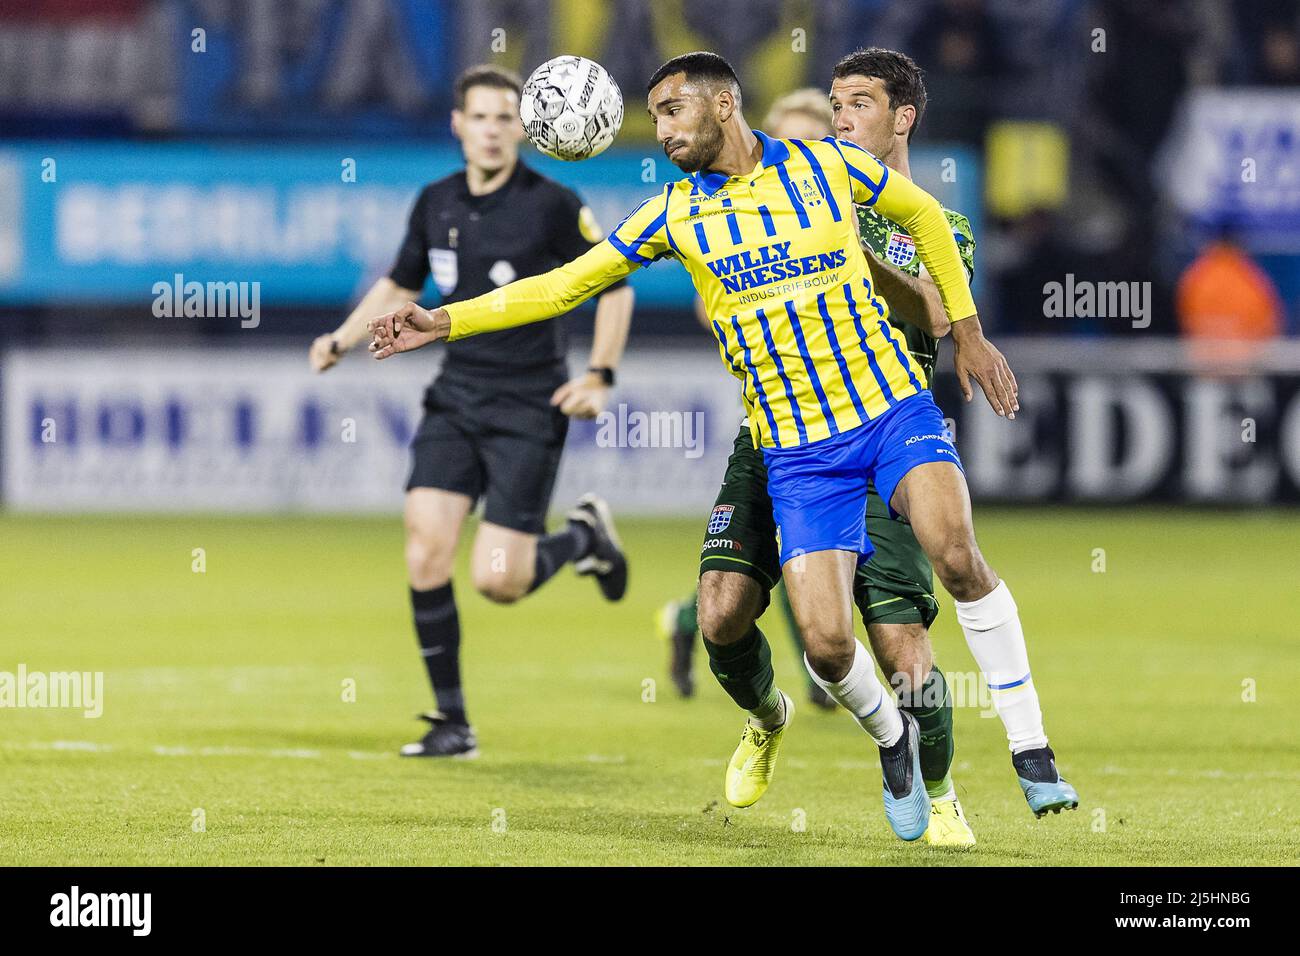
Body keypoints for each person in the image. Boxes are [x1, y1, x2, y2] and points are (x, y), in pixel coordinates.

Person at [366, 52, 1078, 841]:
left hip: (892, 410)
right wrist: (446, 318)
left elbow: (924, 219)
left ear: (725, 104)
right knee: (828, 645)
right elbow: (564, 284)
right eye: (656, 114)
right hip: (796, 450)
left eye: (674, 110)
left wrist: (970, 335)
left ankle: (1032, 749)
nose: (662, 129)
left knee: (954, 552)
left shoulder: (823, 165)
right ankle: (891, 738)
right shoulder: (672, 214)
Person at [661, 50, 982, 846]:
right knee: (723, 612)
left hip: (883, 431)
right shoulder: (739, 210)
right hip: (779, 436)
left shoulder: (928, 223)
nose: (838, 127)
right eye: (827, 115)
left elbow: (937, 320)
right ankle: (765, 718)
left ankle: (938, 788)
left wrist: (839, 244)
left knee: (906, 655)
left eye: (852, 110)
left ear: (898, 118)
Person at [310, 64, 635, 758]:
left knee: (497, 580)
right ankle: (451, 721)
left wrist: (600, 374)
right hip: (456, 397)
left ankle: (583, 538)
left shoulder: (552, 203)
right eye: (479, 117)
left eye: (504, 117)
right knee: (426, 547)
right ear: (458, 124)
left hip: (529, 404)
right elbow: (400, 282)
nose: (492, 130)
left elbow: (615, 286)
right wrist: (342, 338)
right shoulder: (435, 202)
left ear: (524, 126)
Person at [658, 87, 841, 710]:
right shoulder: (723, 214)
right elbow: (708, 298)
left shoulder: (835, 208)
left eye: (807, 138)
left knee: (810, 553)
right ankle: (807, 671)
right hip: (774, 407)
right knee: (778, 552)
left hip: (860, 408)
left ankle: (689, 622)